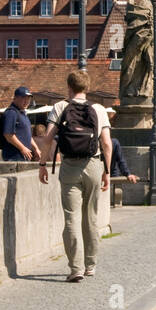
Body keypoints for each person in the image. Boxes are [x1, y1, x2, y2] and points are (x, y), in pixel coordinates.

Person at [40, 70, 113, 282]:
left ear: (69, 87)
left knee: (71, 217)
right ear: (87, 88)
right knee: (90, 217)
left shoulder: (60, 107)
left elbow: (47, 139)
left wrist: (43, 164)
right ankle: (91, 265)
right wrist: (106, 172)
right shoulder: (98, 109)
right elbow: (107, 144)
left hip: (70, 166)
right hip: (93, 165)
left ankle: (76, 269)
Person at [0, 86, 41, 162]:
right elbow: (8, 135)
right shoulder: (11, 112)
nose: (26, 101)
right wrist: (22, 148)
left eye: (28, 98)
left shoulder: (23, 113)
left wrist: (36, 149)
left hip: (23, 157)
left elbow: (28, 135)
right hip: (14, 157)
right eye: (23, 98)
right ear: (15, 98)